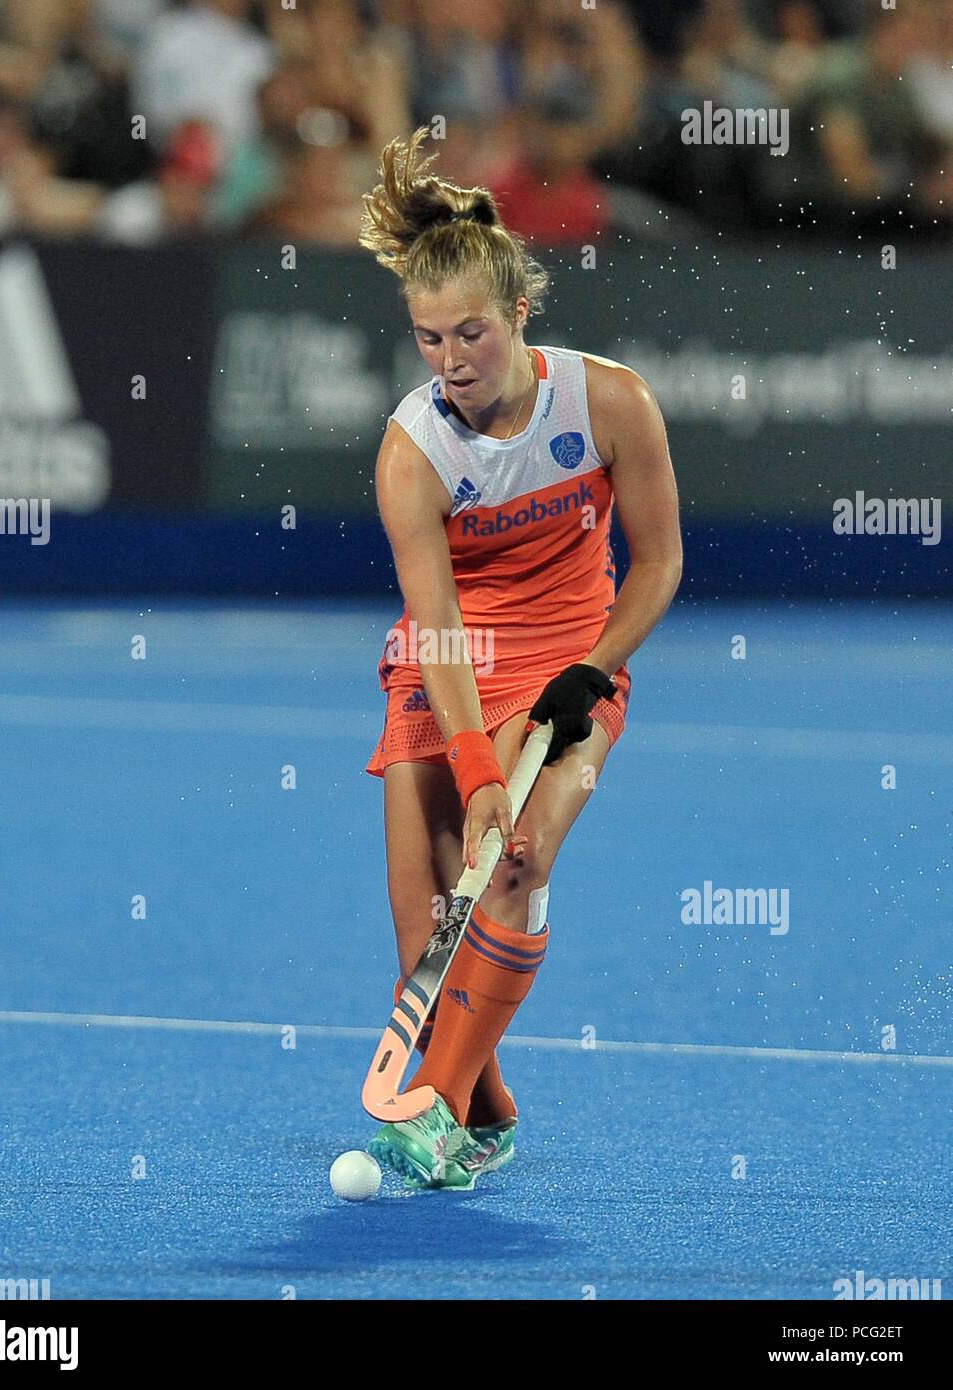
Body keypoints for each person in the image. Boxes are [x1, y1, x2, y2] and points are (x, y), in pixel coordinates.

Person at [358, 128, 683, 1189]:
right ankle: (485, 1105)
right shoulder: (414, 452)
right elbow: (437, 625)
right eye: (428, 341)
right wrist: (479, 769)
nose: (452, 362)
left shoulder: (610, 402)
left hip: (570, 659)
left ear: (520, 316)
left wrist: (598, 664)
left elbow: (660, 563)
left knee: (516, 861)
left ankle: (432, 1106)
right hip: (446, 663)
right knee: (430, 925)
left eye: (472, 335)